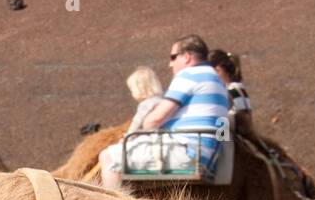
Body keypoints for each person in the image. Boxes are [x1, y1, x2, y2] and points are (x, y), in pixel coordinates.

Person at [137, 34, 230, 178]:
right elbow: (224, 129)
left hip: (185, 153)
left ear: (186, 57)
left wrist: (140, 128)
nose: (170, 64)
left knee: (108, 158)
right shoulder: (220, 84)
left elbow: (155, 120)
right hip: (212, 157)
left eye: (173, 57)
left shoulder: (189, 75)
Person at [98, 66, 166, 188]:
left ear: (140, 88)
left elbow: (136, 125)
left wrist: (126, 138)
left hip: (148, 145)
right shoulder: (163, 102)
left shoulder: (146, 105)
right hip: (161, 144)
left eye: (132, 89)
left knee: (109, 157)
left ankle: (112, 191)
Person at [208, 49, 254, 138]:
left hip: (233, 138)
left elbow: (222, 131)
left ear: (218, 70)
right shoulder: (239, 88)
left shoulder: (227, 92)